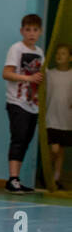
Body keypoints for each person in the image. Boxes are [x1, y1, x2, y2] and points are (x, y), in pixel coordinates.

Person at [1, 14, 46, 194]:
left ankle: (16, 179)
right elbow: (6, 73)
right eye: (28, 29)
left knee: (26, 140)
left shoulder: (40, 52)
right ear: (22, 31)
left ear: (40, 32)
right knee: (18, 139)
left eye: (35, 30)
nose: (31, 33)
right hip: (16, 102)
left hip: (33, 103)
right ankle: (12, 179)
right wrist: (28, 77)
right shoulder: (16, 49)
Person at [46, 43, 72, 190]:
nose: (59, 56)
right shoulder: (50, 74)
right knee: (54, 149)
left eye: (63, 53)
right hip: (51, 118)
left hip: (67, 120)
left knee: (61, 151)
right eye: (58, 53)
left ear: (70, 58)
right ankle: (47, 174)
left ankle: (56, 179)